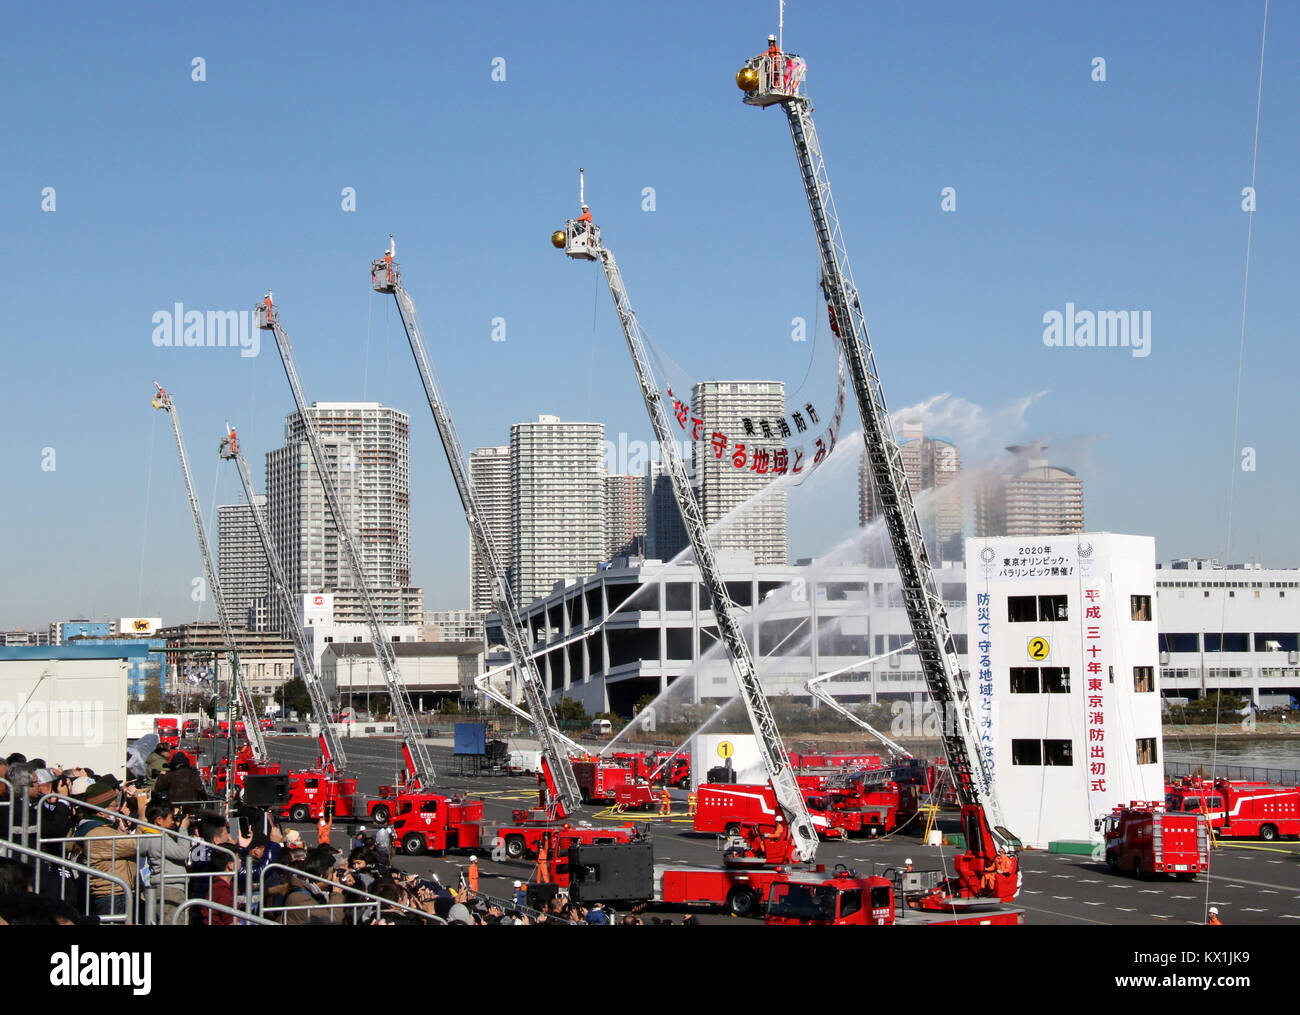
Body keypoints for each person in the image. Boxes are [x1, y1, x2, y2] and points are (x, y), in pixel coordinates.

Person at [139, 802, 191, 925]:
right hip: (170, 890)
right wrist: (183, 829)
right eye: (171, 817)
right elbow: (182, 852)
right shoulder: (158, 838)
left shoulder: (151, 836)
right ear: (159, 820)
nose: (173, 821)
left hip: (166, 888)